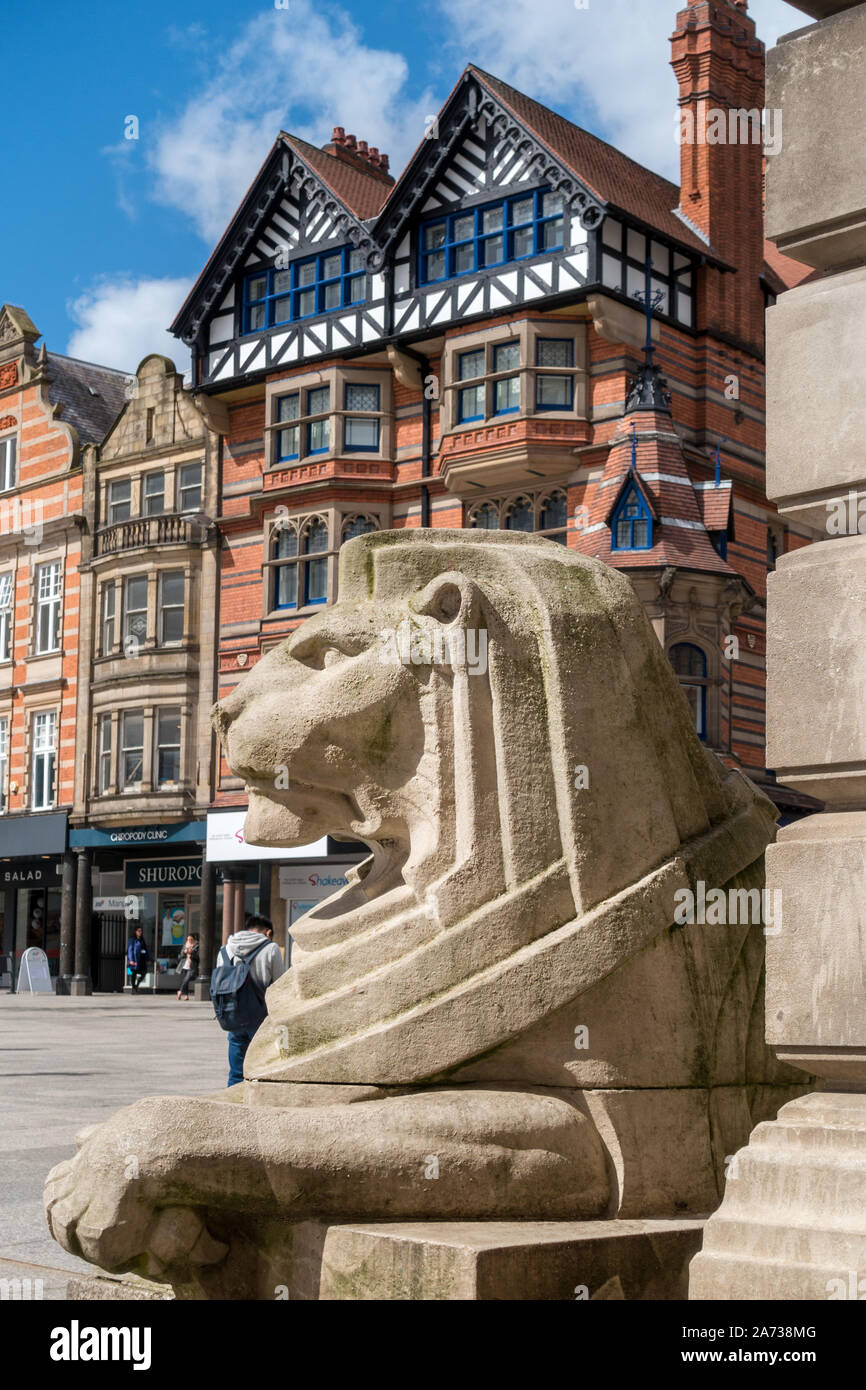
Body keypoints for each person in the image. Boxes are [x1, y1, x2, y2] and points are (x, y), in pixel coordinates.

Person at [222, 914, 284, 1087]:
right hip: (261, 1015)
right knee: (262, 1066)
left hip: (233, 1014)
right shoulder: (271, 948)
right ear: (268, 932)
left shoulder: (226, 949)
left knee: (235, 1072)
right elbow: (280, 983)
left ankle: (233, 1099)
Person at [126, 925, 149, 992]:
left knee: (144, 972)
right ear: (135, 932)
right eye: (139, 931)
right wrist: (131, 960)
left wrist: (148, 958)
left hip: (142, 959)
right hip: (135, 959)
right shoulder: (132, 940)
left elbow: (145, 949)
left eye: (141, 931)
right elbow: (130, 950)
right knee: (134, 973)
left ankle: (137, 985)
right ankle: (133, 987)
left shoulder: (142, 940)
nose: (140, 932)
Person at [176, 934, 199, 1001]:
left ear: (194, 940)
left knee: (186, 979)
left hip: (191, 966)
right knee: (185, 981)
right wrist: (184, 952)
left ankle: (180, 991)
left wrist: (191, 953)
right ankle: (186, 995)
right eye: (188, 939)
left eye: (191, 939)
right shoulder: (185, 946)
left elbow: (198, 957)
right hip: (184, 965)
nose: (189, 941)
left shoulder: (197, 946)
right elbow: (180, 956)